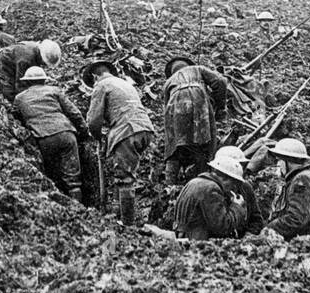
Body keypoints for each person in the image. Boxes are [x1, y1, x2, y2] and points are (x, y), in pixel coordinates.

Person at [85, 59, 155, 225]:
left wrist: (96, 136)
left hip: (127, 131)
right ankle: (120, 212)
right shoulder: (125, 84)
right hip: (145, 129)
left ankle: (127, 225)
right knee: (126, 171)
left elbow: (94, 119)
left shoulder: (101, 85)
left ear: (95, 76)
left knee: (124, 178)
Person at [13, 66, 88, 202]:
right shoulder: (55, 91)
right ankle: (80, 212)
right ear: (44, 80)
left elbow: (17, 121)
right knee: (73, 181)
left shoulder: (19, 98)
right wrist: (84, 131)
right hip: (65, 134)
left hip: (43, 139)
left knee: (51, 177)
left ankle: (58, 208)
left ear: (27, 81)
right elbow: (74, 113)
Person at [161, 55, 229, 184]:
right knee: (204, 143)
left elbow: (165, 110)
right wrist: (220, 106)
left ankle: (169, 184)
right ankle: (202, 178)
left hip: (173, 106)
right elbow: (221, 82)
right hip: (198, 99)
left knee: (174, 146)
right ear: (188, 65)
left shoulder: (168, 82)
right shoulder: (197, 69)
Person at [246, 137, 310, 239]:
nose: (278, 164)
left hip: (303, 242)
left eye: (279, 160)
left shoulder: (302, 179)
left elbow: (296, 218)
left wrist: (268, 229)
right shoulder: (307, 175)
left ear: (287, 161)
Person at [171, 150, 250, 241]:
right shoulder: (212, 189)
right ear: (226, 178)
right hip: (197, 241)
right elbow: (222, 226)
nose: (234, 187)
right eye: (234, 183)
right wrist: (237, 207)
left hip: (184, 238)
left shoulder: (195, 182)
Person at [0, 39, 62, 103]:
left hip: (10, 65)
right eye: (44, 63)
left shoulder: (35, 50)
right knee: (7, 94)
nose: (43, 65)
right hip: (0, 66)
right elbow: (21, 84)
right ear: (42, 57)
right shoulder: (26, 58)